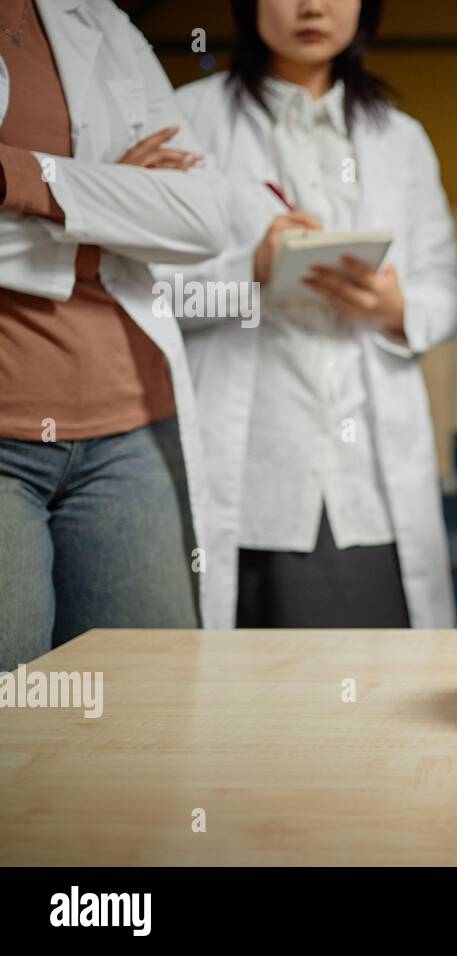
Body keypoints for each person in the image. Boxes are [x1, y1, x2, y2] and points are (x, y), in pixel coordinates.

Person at [163, 0, 457, 628]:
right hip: (253, 457)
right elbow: (146, 294)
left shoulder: (400, 137)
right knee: (251, 697)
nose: (312, 6)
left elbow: (447, 292)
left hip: (369, 466)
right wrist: (251, 269)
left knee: (381, 684)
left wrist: (396, 308)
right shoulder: (188, 118)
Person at [0, 0, 230, 670]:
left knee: (148, 719)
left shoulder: (97, 17)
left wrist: (20, 176)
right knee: (12, 734)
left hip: (128, 434)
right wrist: (116, 202)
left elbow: (204, 216)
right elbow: (156, 216)